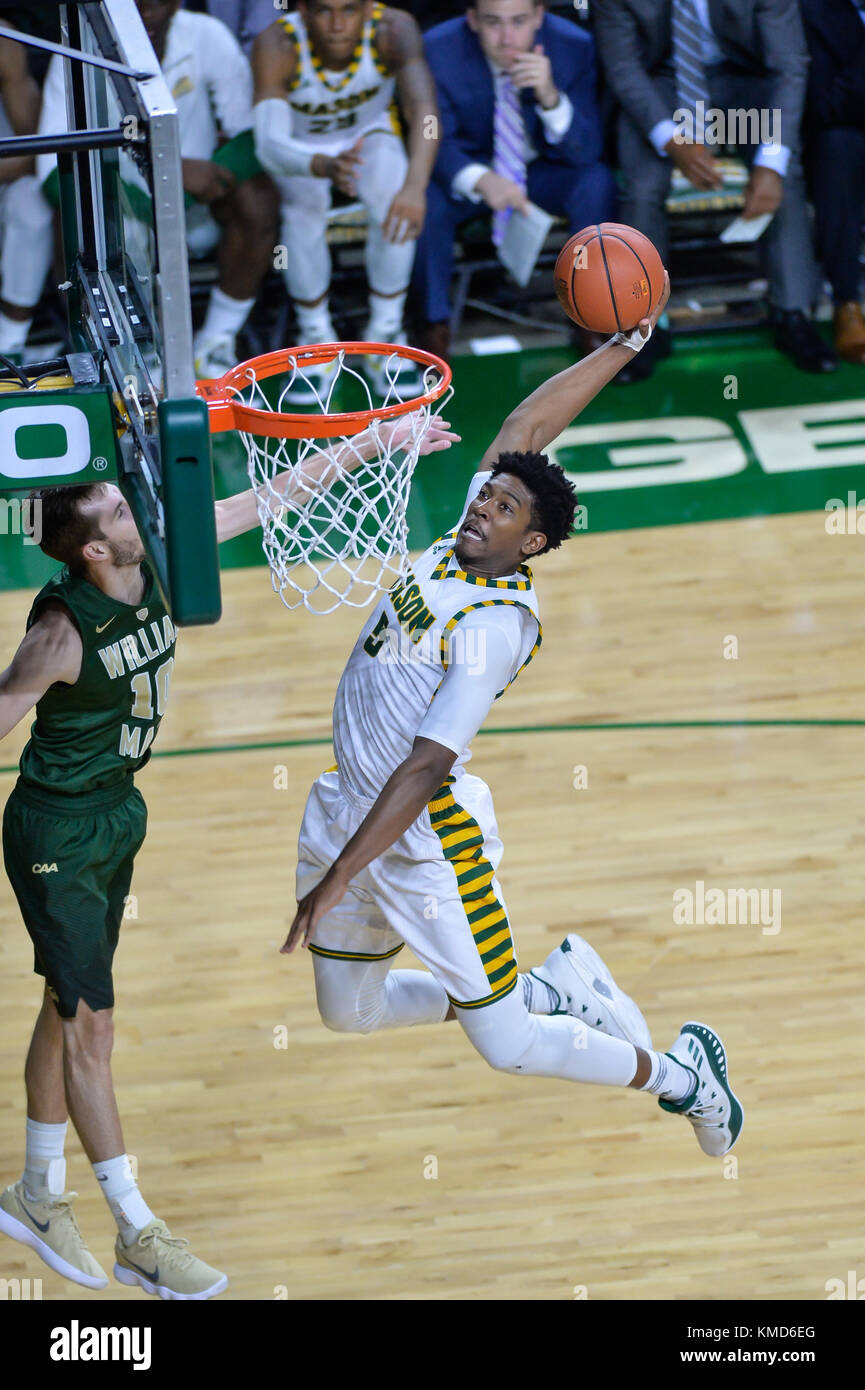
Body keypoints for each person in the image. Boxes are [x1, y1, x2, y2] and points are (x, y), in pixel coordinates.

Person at [282, 271, 744, 1163]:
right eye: (485, 498)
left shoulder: (496, 624)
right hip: (350, 802)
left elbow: (422, 768)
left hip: (424, 843)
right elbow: (525, 433)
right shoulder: (468, 544)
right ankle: (552, 985)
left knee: (506, 1046)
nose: (481, 507)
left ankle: (681, 1077)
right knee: (351, 1014)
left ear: (530, 543)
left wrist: (339, 876)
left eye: (501, 509)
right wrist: (621, 345)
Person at [0, 412, 457, 1298]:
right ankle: (138, 1230)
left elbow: (278, 494)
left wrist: (383, 441)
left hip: (117, 815)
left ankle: (36, 1191)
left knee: (66, 1001)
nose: (138, 514)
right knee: (93, 1026)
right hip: (56, 832)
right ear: (95, 554)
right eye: (118, 515)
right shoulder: (60, 633)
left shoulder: (160, 559)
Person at [592, 0, 837, 382]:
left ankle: (794, 314)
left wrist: (770, 165)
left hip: (743, 81)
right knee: (642, 186)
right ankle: (641, 327)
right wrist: (671, 140)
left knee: (783, 173)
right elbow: (624, 67)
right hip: (662, 83)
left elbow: (789, 66)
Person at [36, 0, 280, 380]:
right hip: (117, 220)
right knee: (66, 216)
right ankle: (121, 349)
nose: (144, 15)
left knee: (259, 196)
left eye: (155, 4)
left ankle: (217, 339)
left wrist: (177, 189)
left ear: (176, 3)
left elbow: (251, 138)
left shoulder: (204, 34)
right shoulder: (77, 48)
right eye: (134, 5)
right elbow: (50, 170)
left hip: (198, 211)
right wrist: (153, 194)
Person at [251, 0, 440, 401]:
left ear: (369, 8)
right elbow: (268, 145)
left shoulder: (395, 28)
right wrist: (320, 165)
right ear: (302, 11)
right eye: (324, 11)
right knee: (301, 210)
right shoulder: (277, 44)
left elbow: (425, 113)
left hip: (369, 136)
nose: (337, 24)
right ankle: (316, 337)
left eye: (349, 10)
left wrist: (415, 187)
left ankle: (386, 334)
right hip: (300, 150)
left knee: (396, 196)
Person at [414, 0, 615, 362]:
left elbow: (586, 151)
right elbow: (431, 136)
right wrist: (479, 179)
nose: (507, 38)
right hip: (472, 170)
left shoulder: (573, 44)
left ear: (540, 15)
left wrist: (551, 98)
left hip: (541, 170)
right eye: (493, 22)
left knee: (593, 181)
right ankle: (433, 324)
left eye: (519, 22)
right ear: (472, 19)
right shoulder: (436, 48)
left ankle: (589, 315)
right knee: (427, 199)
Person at [800, 0, 865, 364]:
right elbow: (823, 105)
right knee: (838, 149)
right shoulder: (813, 9)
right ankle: (847, 302)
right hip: (839, 130)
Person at [0, 20, 53, 361]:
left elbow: (39, 149)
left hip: (4, 178)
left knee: (33, 198)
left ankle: (9, 341)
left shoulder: (2, 41)